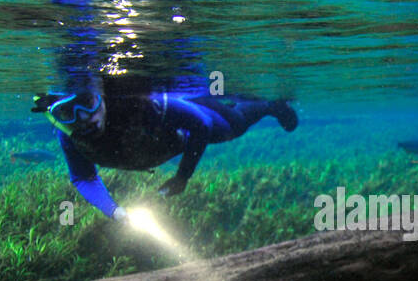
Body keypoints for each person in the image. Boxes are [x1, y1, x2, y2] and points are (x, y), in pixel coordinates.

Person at [32, 75, 298, 222]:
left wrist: (183, 176)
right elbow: (83, 177)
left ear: (100, 96)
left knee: (233, 126)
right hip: (170, 142)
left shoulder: (140, 105)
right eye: (67, 113)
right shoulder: (70, 139)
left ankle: (269, 107)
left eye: (87, 102)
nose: (84, 117)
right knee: (229, 123)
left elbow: (201, 125)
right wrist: (114, 211)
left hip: (192, 120)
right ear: (55, 119)